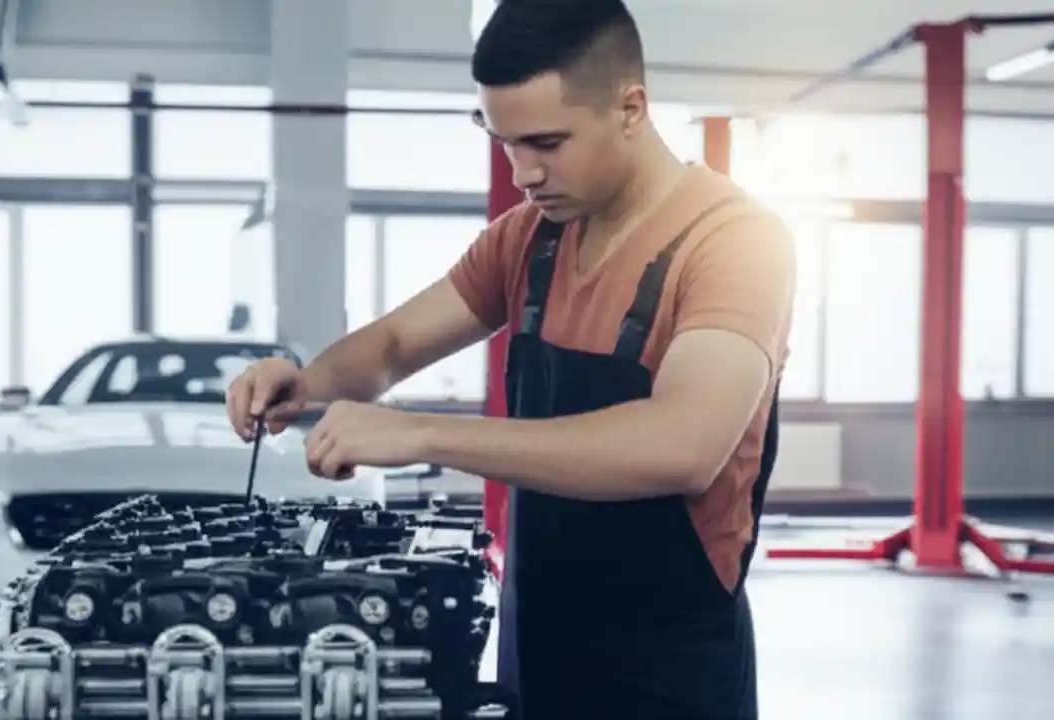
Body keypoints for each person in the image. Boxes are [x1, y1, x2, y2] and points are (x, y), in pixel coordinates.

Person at [227, 0, 795, 716]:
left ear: (630, 108)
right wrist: (305, 382)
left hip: (668, 669)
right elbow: (397, 343)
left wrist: (421, 433)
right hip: (539, 643)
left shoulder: (735, 242)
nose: (523, 172)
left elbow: (684, 445)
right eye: (503, 142)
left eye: (547, 143)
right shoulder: (529, 239)